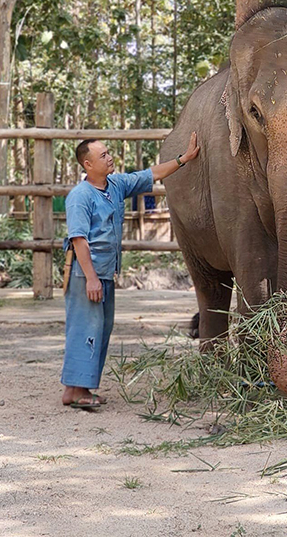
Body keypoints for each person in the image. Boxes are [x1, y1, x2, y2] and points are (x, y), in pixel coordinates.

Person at [61, 133, 200, 409]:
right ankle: (76, 392)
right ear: (87, 165)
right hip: (85, 274)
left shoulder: (115, 185)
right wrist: (90, 278)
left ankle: (76, 390)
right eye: (102, 156)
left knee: (100, 329)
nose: (109, 157)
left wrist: (183, 159)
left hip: (105, 272)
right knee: (85, 329)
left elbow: (150, 174)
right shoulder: (80, 197)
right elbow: (79, 240)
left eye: (108, 152)